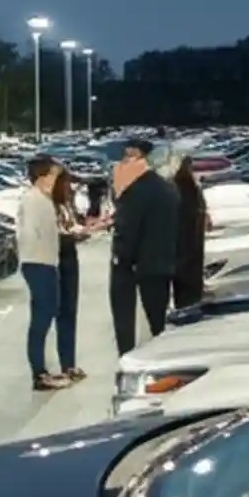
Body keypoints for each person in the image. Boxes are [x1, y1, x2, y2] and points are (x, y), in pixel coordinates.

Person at [110, 139, 180, 356]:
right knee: (159, 321)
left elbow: (128, 229)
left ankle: (128, 358)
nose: (124, 162)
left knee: (124, 320)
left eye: (129, 157)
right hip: (162, 262)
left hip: (133, 265)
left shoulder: (134, 190)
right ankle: (163, 358)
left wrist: (120, 257)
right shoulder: (168, 188)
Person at [16, 157, 69, 391]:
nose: (55, 180)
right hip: (37, 263)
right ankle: (38, 373)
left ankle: (41, 370)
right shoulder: (32, 199)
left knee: (48, 312)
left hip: (46, 262)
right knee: (42, 316)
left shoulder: (43, 199)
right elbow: (29, 233)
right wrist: (35, 251)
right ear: (41, 176)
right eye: (53, 175)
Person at [52, 168, 89, 382]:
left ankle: (69, 363)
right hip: (55, 258)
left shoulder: (66, 204)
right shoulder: (48, 205)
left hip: (69, 257)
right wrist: (72, 234)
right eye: (67, 183)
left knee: (69, 311)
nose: (70, 187)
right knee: (57, 312)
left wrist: (82, 230)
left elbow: (70, 227)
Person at [171, 156, 209, 309]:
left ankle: (189, 300)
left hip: (190, 232)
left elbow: (200, 206)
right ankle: (187, 301)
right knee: (187, 268)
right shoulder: (182, 185)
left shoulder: (188, 184)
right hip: (186, 232)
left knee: (189, 267)